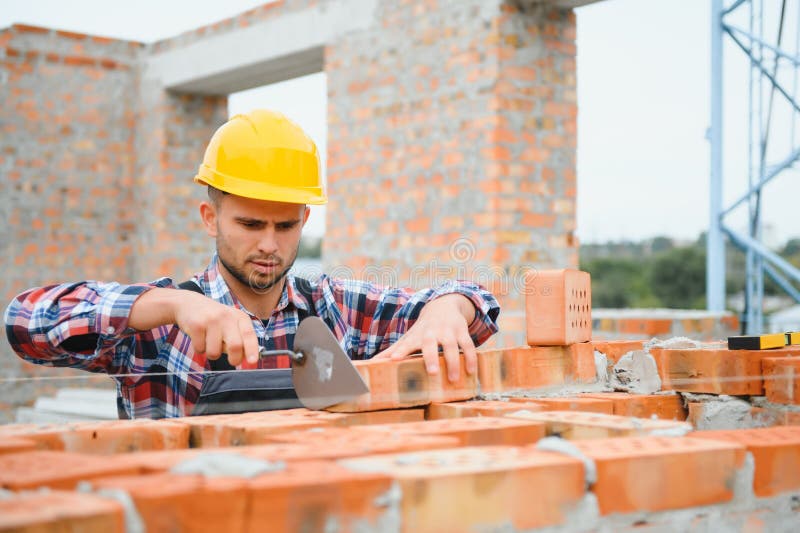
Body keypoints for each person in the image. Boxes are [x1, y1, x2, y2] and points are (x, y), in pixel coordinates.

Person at [4, 109, 500, 419]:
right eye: (249, 224)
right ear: (210, 217)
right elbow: (25, 321)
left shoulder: (332, 309)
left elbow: (479, 304)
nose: (269, 245)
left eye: (285, 227)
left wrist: (447, 308)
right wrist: (170, 305)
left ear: (304, 219)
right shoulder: (159, 327)